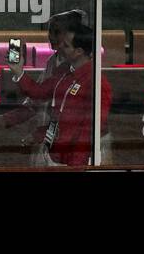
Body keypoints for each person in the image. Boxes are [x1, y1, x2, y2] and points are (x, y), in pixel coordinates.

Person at [0, 9, 88, 164]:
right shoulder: (54, 62)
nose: (50, 36)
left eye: (56, 31)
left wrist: (39, 134)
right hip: (50, 143)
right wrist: (8, 119)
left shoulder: (81, 69)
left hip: (68, 151)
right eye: (49, 31)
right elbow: (36, 98)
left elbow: (72, 122)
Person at [7, 24, 110, 166]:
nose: (60, 46)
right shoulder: (64, 70)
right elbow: (39, 92)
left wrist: (75, 166)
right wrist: (18, 71)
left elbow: (88, 132)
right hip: (56, 153)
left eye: (66, 45)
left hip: (77, 159)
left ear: (79, 51)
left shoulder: (96, 83)